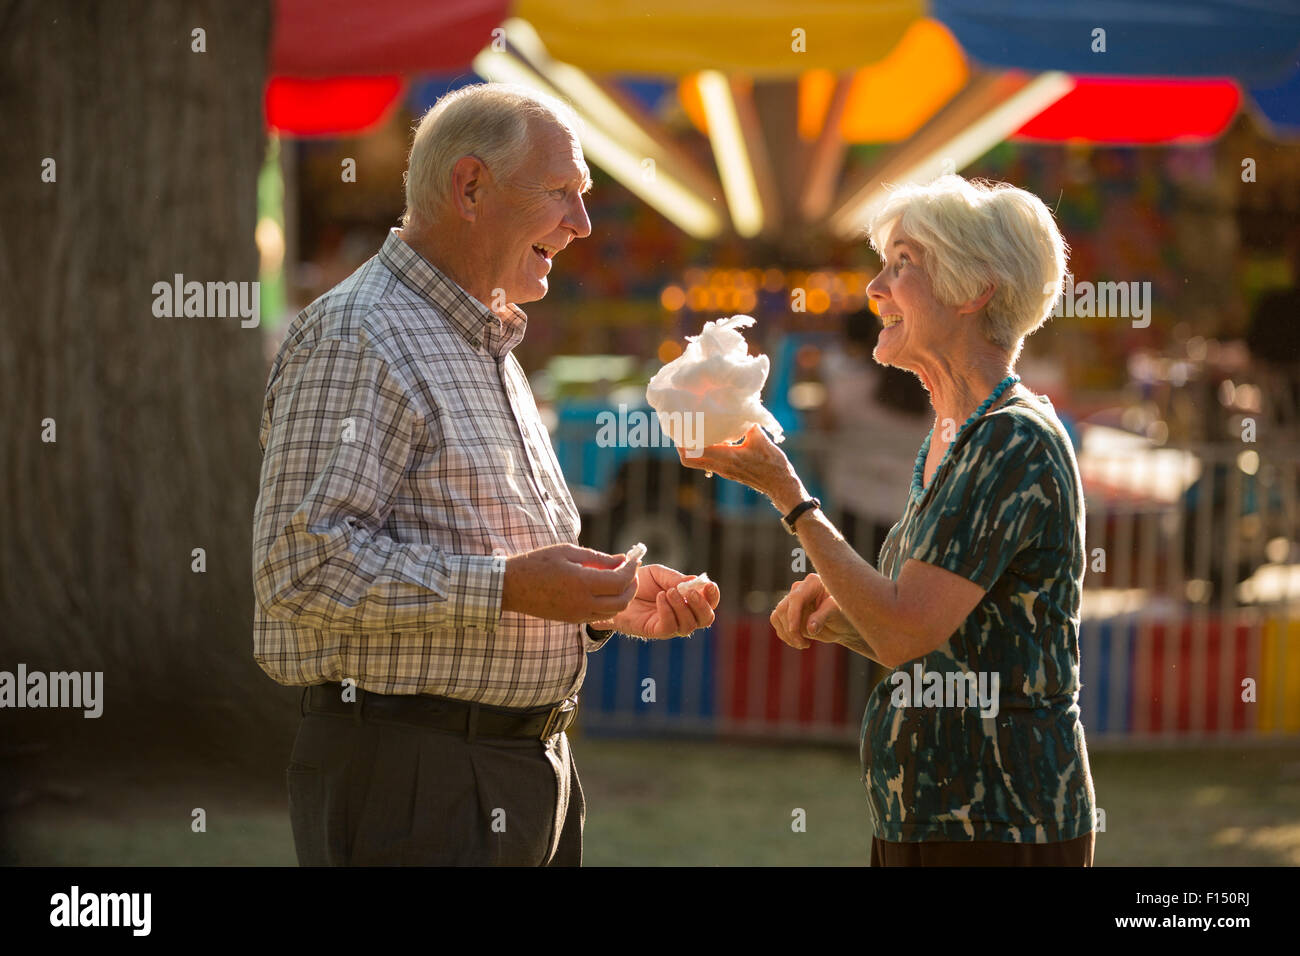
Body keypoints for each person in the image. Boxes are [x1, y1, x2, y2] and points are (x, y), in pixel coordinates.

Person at [252, 83, 719, 866]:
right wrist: (511, 588)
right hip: (416, 776)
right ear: (470, 187)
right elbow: (300, 567)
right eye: (562, 193)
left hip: (510, 769)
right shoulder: (359, 332)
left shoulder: (473, 331)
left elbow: (480, 552)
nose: (583, 224)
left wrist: (599, 604)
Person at [679, 175, 1096, 866]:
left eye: (903, 264)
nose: (875, 288)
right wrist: (846, 609)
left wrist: (791, 498)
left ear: (973, 290)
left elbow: (907, 630)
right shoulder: (960, 431)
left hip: (999, 826)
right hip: (930, 818)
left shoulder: (1010, 438)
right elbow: (954, 645)